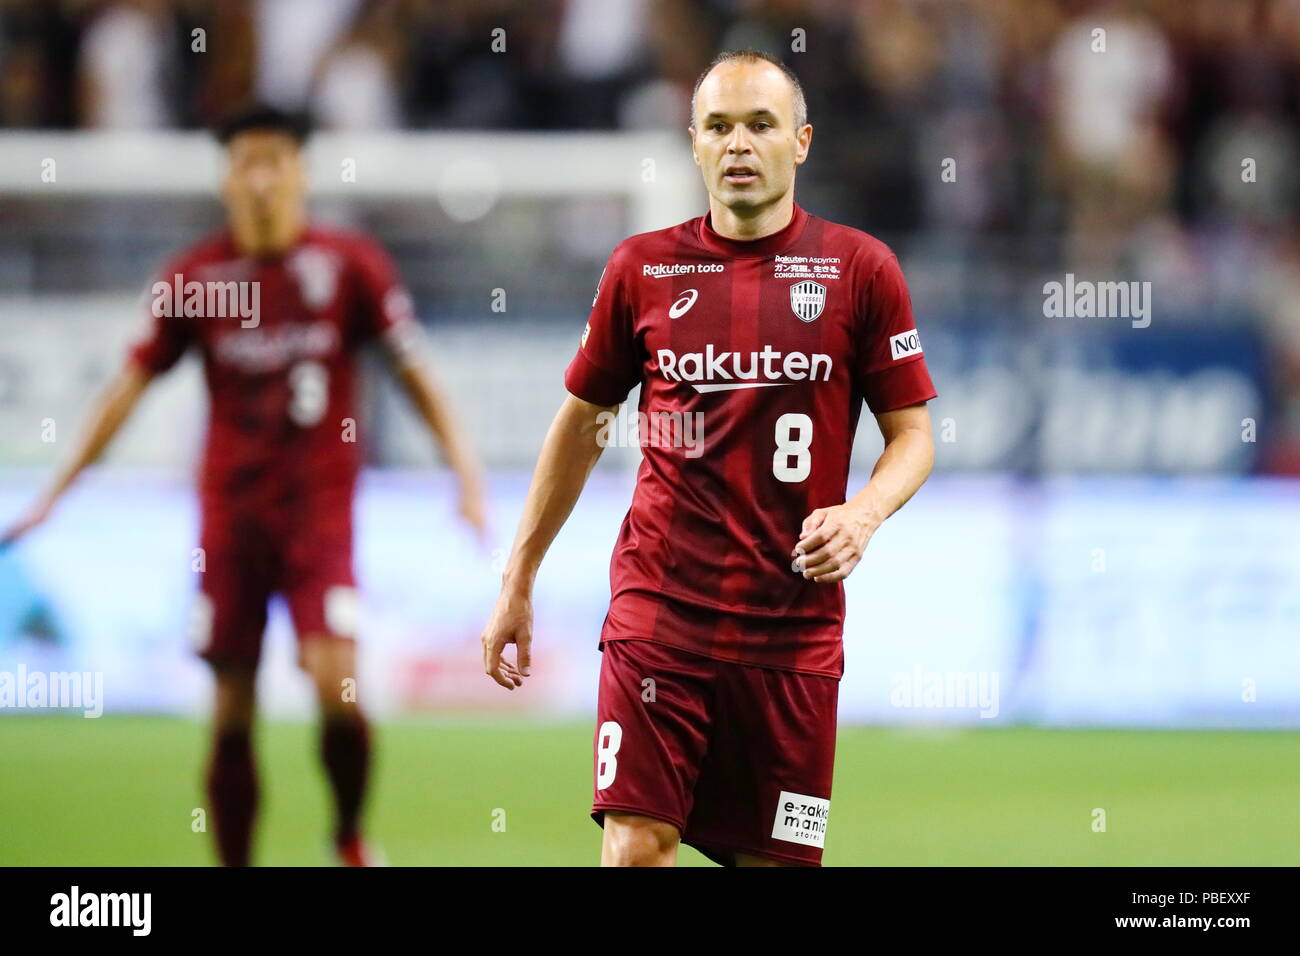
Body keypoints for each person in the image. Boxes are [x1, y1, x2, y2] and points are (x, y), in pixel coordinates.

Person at [480, 50, 937, 866]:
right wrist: (519, 576)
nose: (738, 144)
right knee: (636, 847)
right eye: (719, 127)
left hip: (791, 637)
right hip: (660, 614)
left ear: (800, 142)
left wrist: (863, 515)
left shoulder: (861, 270)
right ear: (693, 144)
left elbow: (914, 435)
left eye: (760, 125)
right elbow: (583, 423)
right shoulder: (640, 269)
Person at [2, 104, 487, 866]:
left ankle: (349, 837)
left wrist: (465, 474)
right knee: (230, 709)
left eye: (276, 161)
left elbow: (414, 373)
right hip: (229, 522)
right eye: (246, 163)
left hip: (319, 518)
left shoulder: (348, 266)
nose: (261, 179)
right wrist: (55, 493)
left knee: (338, 687)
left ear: (301, 172)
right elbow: (126, 391)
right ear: (226, 178)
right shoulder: (195, 279)